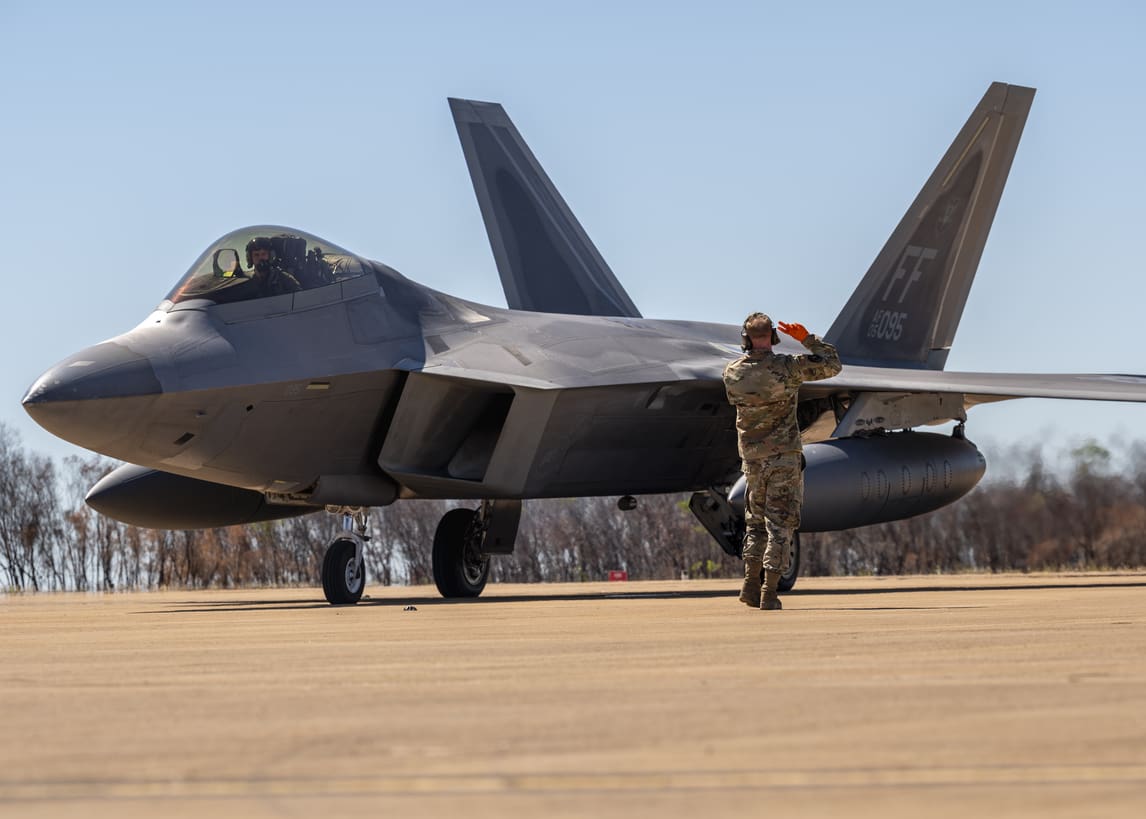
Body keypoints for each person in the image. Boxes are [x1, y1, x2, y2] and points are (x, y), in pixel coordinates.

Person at [722, 313, 841, 610]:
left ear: (745, 339)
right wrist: (806, 339)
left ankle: (750, 585)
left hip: (752, 460)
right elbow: (832, 364)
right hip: (784, 458)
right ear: (773, 337)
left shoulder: (732, 373)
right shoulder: (788, 368)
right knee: (780, 525)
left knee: (755, 524)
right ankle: (769, 593)